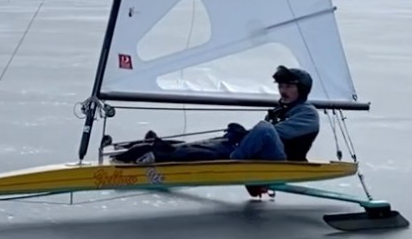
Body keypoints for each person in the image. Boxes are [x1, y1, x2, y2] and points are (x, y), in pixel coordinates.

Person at [110, 65, 320, 165]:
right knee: (210, 143)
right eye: (281, 86)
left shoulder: (307, 114)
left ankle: (160, 155)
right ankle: (152, 146)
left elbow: (273, 133)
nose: (283, 90)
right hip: (257, 152)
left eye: (289, 87)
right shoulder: (282, 109)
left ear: (301, 89)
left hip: (281, 160)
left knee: (259, 130)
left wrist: (245, 137)